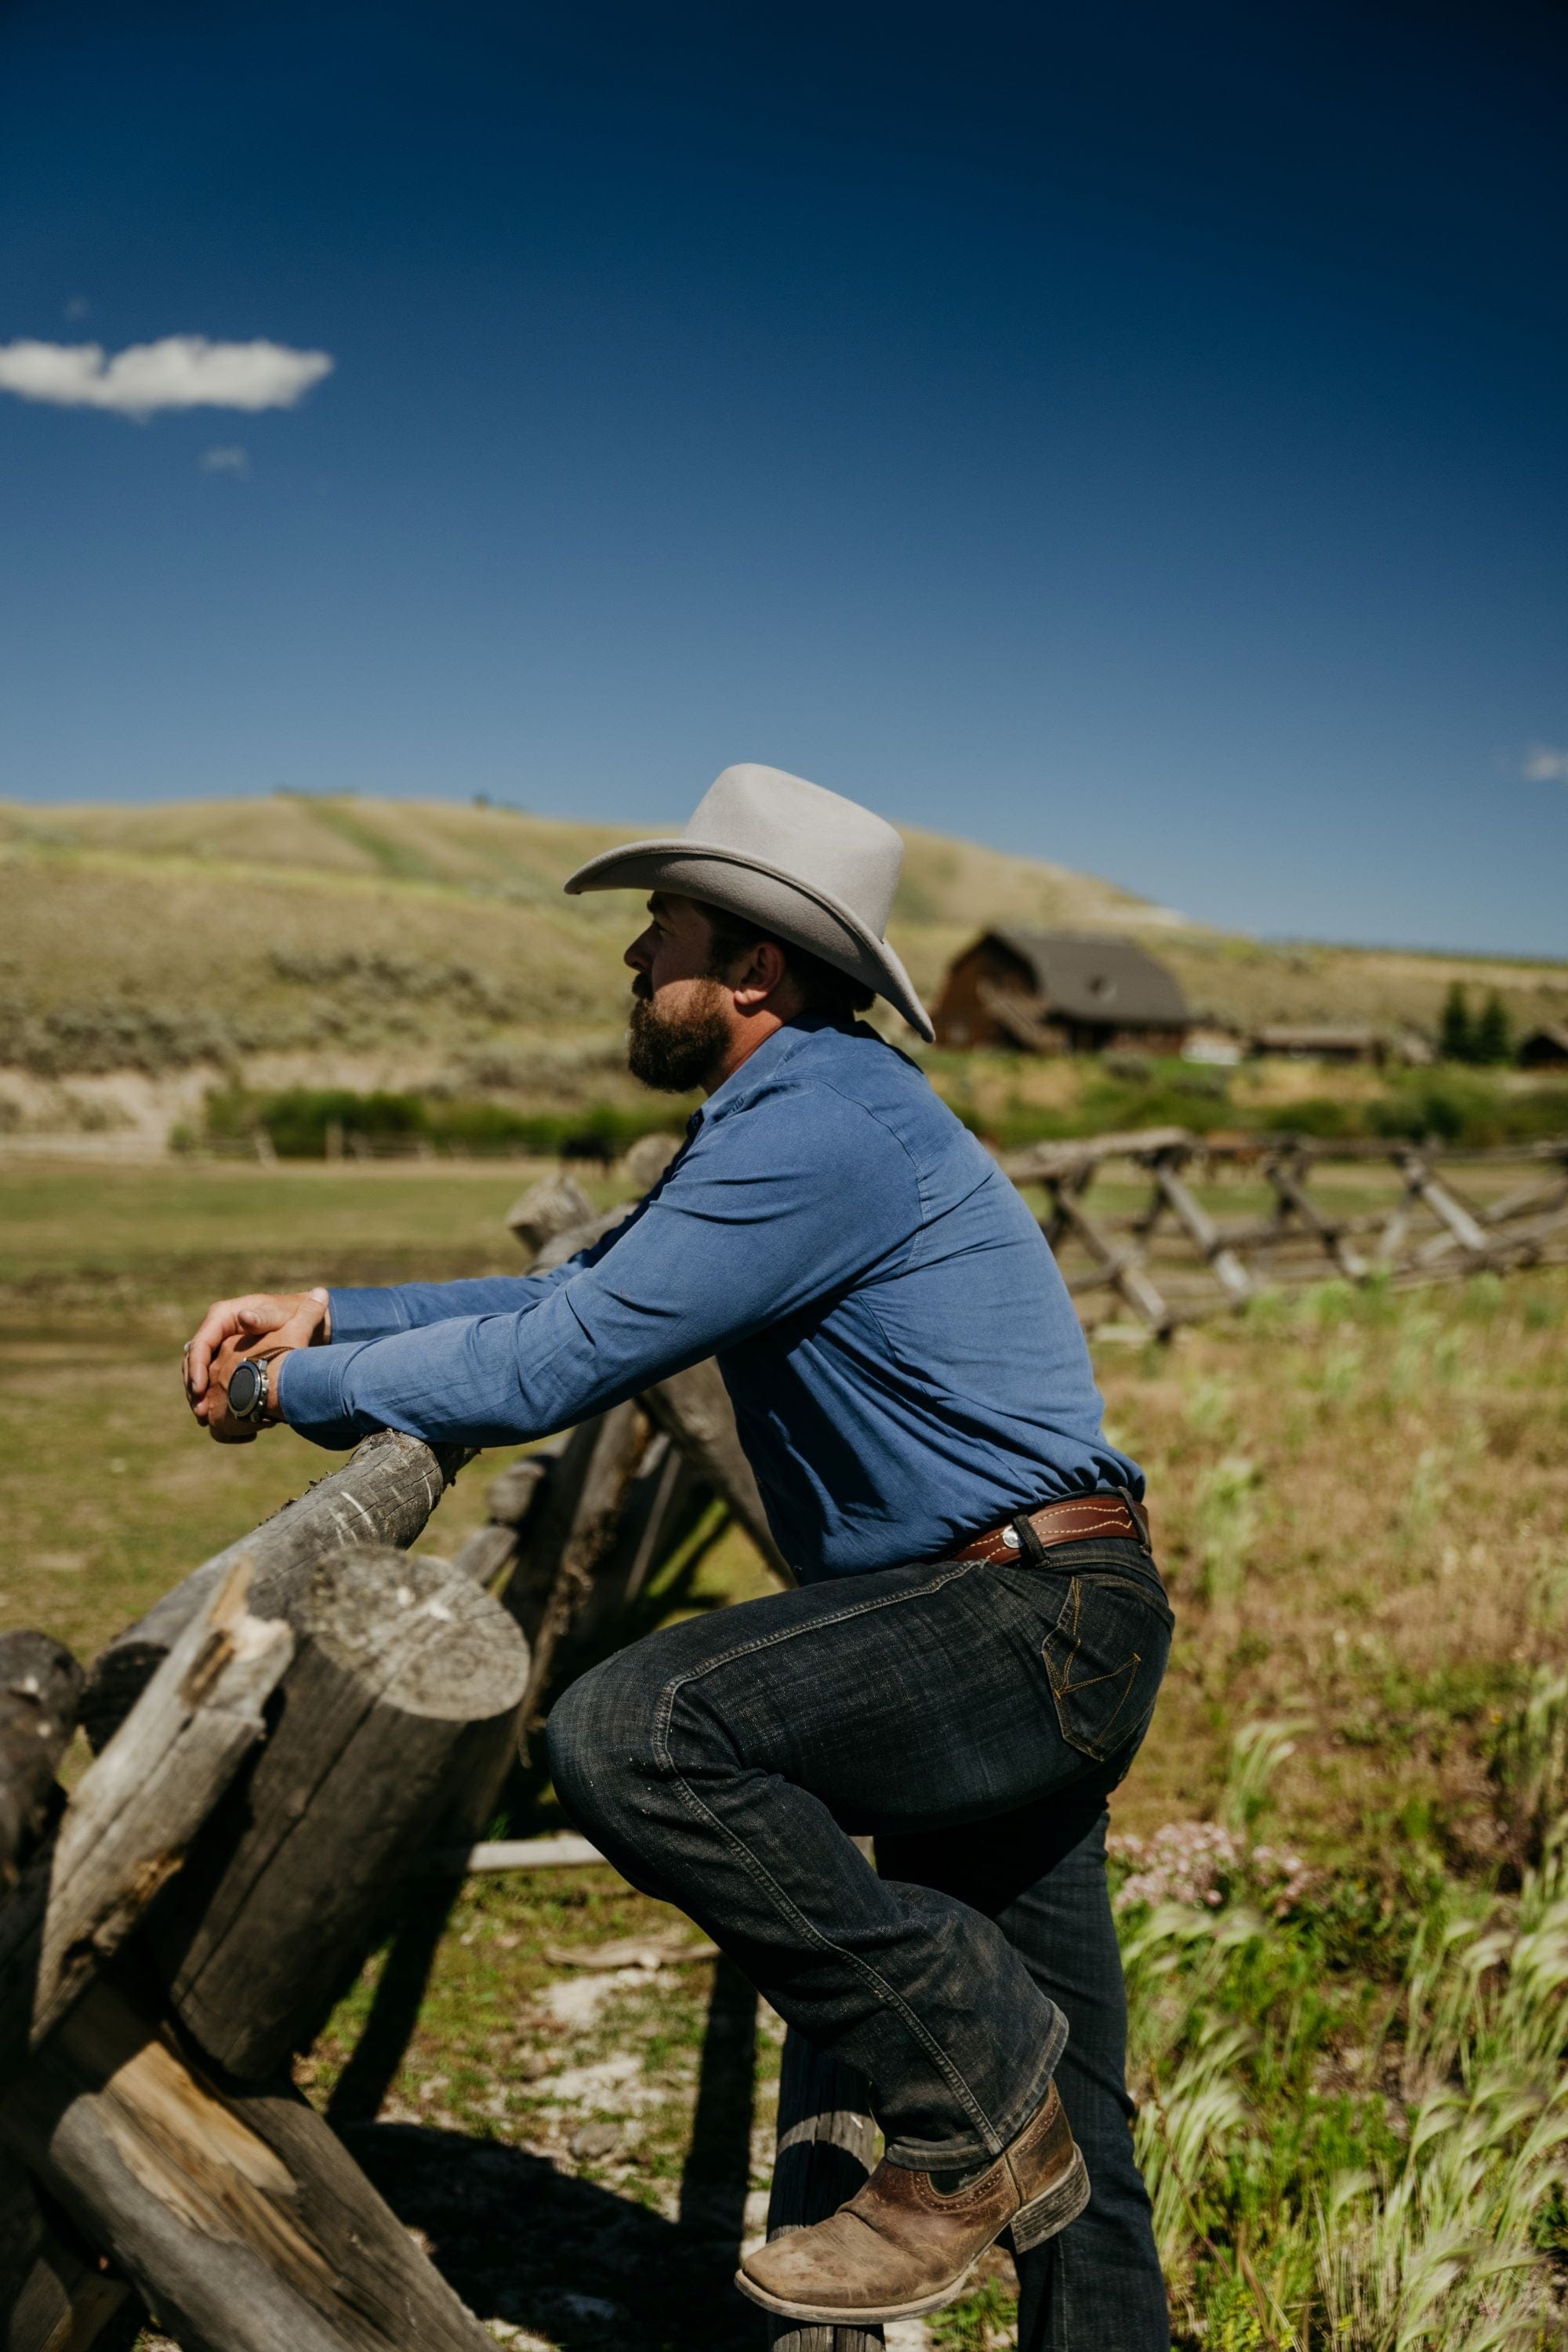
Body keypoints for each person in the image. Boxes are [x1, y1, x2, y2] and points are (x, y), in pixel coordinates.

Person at [183, 763, 1172, 2347]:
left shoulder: (820, 1133)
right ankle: (1011, 2118)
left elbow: (537, 1373)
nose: (635, 958)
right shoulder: (790, 1121)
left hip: (1019, 1621)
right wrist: (335, 1314)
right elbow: (564, 1298)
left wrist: (279, 1390)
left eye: (665, 928)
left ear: (756, 968)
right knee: (1080, 2126)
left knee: (633, 1730)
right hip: (1026, 1614)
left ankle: (972, 2076)